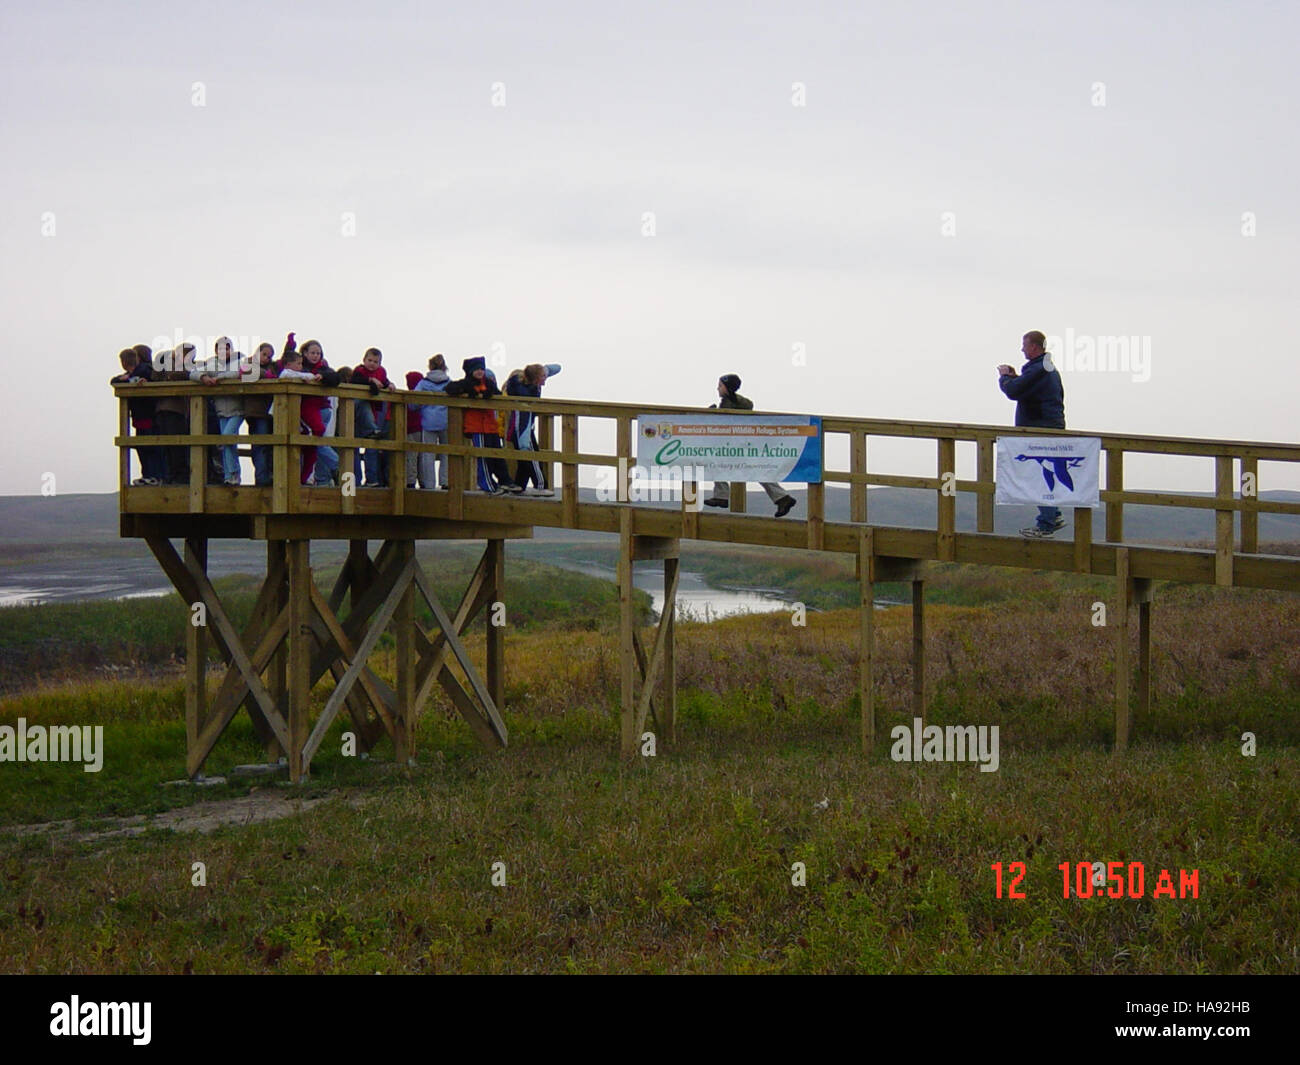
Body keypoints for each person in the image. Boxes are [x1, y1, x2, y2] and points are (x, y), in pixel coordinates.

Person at [998, 330, 1067, 538]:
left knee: (1038, 476)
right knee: (1042, 474)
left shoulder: (1040, 370)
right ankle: (1051, 516)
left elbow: (1014, 392)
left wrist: (1004, 378)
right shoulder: (1044, 369)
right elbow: (1027, 388)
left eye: (1024, 345)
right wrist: (1015, 378)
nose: (1022, 349)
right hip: (1047, 427)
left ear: (1034, 347)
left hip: (1040, 430)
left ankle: (1047, 522)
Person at [704, 374, 797, 517]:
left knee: (716, 462)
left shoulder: (729, 404)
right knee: (754, 470)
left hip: (737, 446)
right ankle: (782, 498)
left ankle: (722, 497)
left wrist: (712, 414)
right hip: (744, 445)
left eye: (720, 385)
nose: (717, 388)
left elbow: (725, 422)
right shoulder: (739, 403)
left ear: (727, 388)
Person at [444, 355, 521, 493]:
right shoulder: (466, 383)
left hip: (491, 426)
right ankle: (488, 485)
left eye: (481, 369)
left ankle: (505, 481)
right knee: (483, 456)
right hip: (476, 426)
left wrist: (490, 393)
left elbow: (499, 395)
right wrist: (467, 389)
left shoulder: (489, 384)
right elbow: (450, 388)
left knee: (497, 454)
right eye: (476, 369)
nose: (480, 372)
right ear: (470, 371)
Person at [191, 336, 249, 486]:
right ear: (216, 350)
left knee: (227, 438)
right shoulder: (211, 364)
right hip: (221, 410)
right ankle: (229, 476)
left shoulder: (239, 361)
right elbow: (192, 373)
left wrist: (219, 378)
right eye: (220, 348)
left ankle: (234, 474)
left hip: (237, 408)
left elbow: (239, 373)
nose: (224, 351)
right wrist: (203, 377)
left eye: (227, 348)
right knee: (227, 442)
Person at [279, 341, 337, 484]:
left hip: (320, 409)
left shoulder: (323, 368)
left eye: (318, 353)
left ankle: (335, 468)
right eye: (312, 352)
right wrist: (289, 347)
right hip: (307, 410)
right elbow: (284, 367)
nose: (315, 356)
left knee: (315, 441)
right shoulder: (299, 367)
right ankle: (311, 478)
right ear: (305, 353)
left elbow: (336, 378)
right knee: (312, 443)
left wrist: (321, 376)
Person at [504, 362, 561, 495]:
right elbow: (524, 396)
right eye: (542, 377)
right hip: (522, 430)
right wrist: (535, 385)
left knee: (525, 459)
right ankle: (540, 486)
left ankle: (519, 485)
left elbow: (557, 367)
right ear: (534, 379)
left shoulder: (531, 384)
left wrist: (544, 369)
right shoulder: (521, 390)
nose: (544, 380)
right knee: (532, 457)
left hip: (526, 428)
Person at [111, 347, 164, 485]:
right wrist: (125, 379)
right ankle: (149, 474)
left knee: (148, 446)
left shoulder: (144, 370)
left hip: (146, 414)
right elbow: (115, 381)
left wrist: (126, 379)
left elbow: (120, 381)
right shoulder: (138, 372)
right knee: (144, 446)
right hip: (143, 415)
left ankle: (153, 475)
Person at [350, 347, 397, 487]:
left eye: (375, 361)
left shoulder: (381, 372)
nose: (372, 364)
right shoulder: (359, 371)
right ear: (363, 360)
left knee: (372, 448)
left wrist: (390, 385)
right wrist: (371, 380)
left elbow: (385, 382)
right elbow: (356, 381)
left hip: (375, 414)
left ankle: (372, 479)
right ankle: (355, 482)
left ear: (380, 363)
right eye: (369, 360)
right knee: (354, 448)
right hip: (357, 417)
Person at [152, 343, 196, 484]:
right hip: (167, 408)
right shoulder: (166, 362)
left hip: (177, 409)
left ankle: (179, 476)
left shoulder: (187, 366)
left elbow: (190, 374)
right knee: (168, 445)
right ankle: (171, 476)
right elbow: (155, 376)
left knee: (177, 445)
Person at [406, 354, 451, 490]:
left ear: (430, 367)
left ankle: (429, 484)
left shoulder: (424, 383)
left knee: (428, 453)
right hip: (445, 421)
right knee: (446, 452)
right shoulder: (449, 382)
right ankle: (445, 481)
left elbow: (413, 404)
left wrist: (420, 408)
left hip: (428, 422)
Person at [245, 342, 278, 486]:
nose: (266, 358)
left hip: (269, 412)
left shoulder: (272, 367)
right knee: (260, 446)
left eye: (269, 356)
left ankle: (269, 476)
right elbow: (247, 373)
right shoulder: (247, 363)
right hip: (256, 412)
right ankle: (261, 478)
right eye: (264, 354)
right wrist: (267, 375)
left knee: (269, 446)